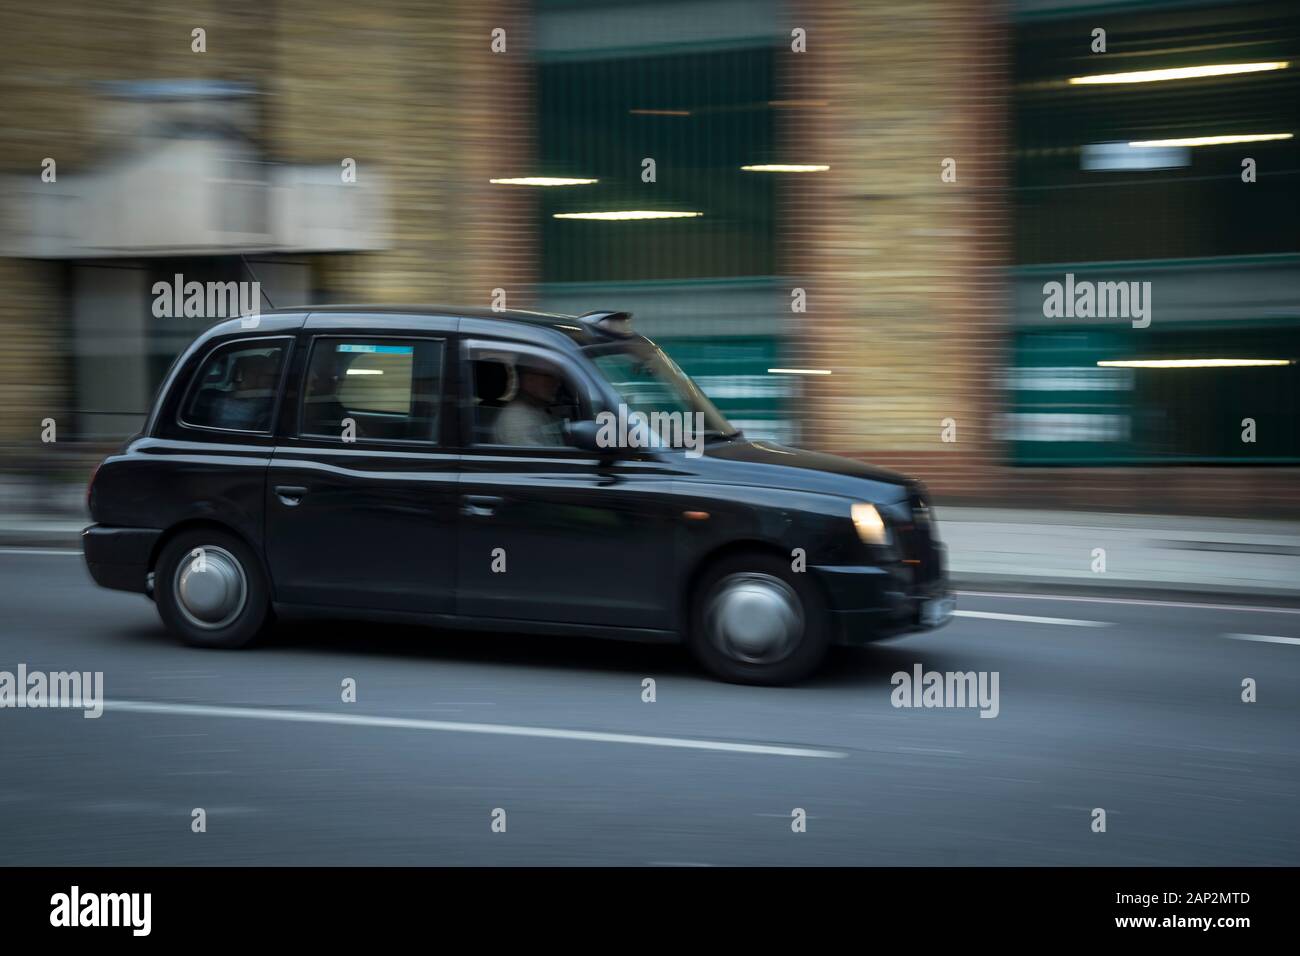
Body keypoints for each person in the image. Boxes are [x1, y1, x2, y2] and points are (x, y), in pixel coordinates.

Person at [494, 363, 567, 446]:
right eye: (550, 376)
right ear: (529, 379)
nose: (558, 383)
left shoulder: (537, 409)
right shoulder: (518, 419)